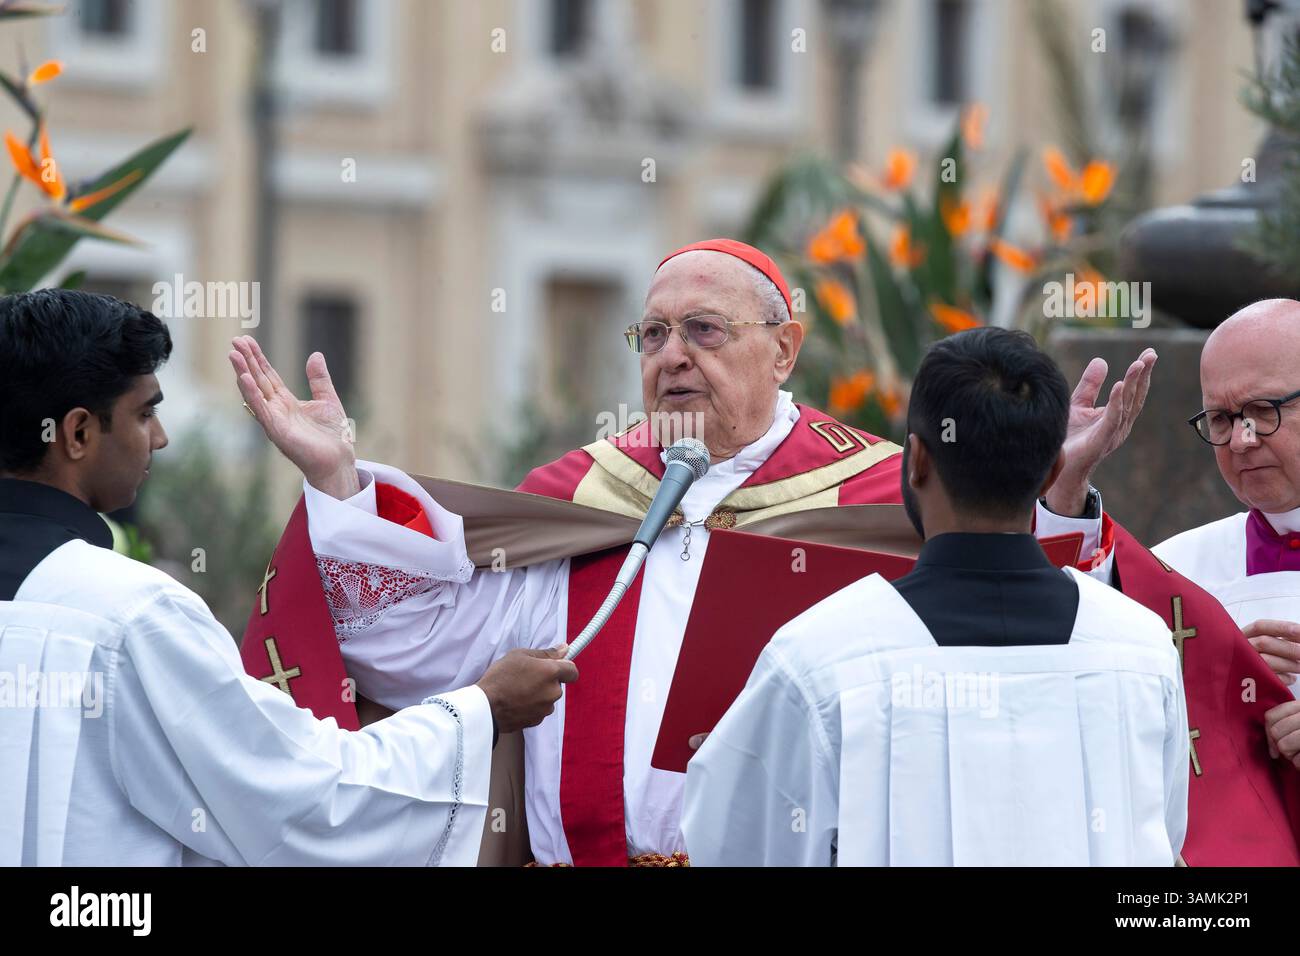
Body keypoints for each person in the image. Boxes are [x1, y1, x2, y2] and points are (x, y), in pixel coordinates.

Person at [236, 239, 1153, 866]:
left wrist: (1058, 499)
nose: (672, 355)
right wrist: (343, 485)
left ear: (784, 348)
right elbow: (418, 644)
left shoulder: (887, 496)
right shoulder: (580, 499)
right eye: (654, 334)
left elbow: (1027, 653)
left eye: (705, 330)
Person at [0, 288, 574, 867]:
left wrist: (338, 480)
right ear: (75, 434)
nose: (160, 437)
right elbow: (308, 802)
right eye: (145, 413)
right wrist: (480, 712)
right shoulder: (128, 615)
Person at [681, 327, 1188, 866]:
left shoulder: (819, 657)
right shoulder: (1141, 648)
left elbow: (733, 845)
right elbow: (1164, 833)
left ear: (917, 458)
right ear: (1054, 471)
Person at [1039, 300, 1300, 768]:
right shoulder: (1175, 571)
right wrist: (1065, 482)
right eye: (1221, 418)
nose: (1242, 439)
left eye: (1263, 410)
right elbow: (1063, 669)